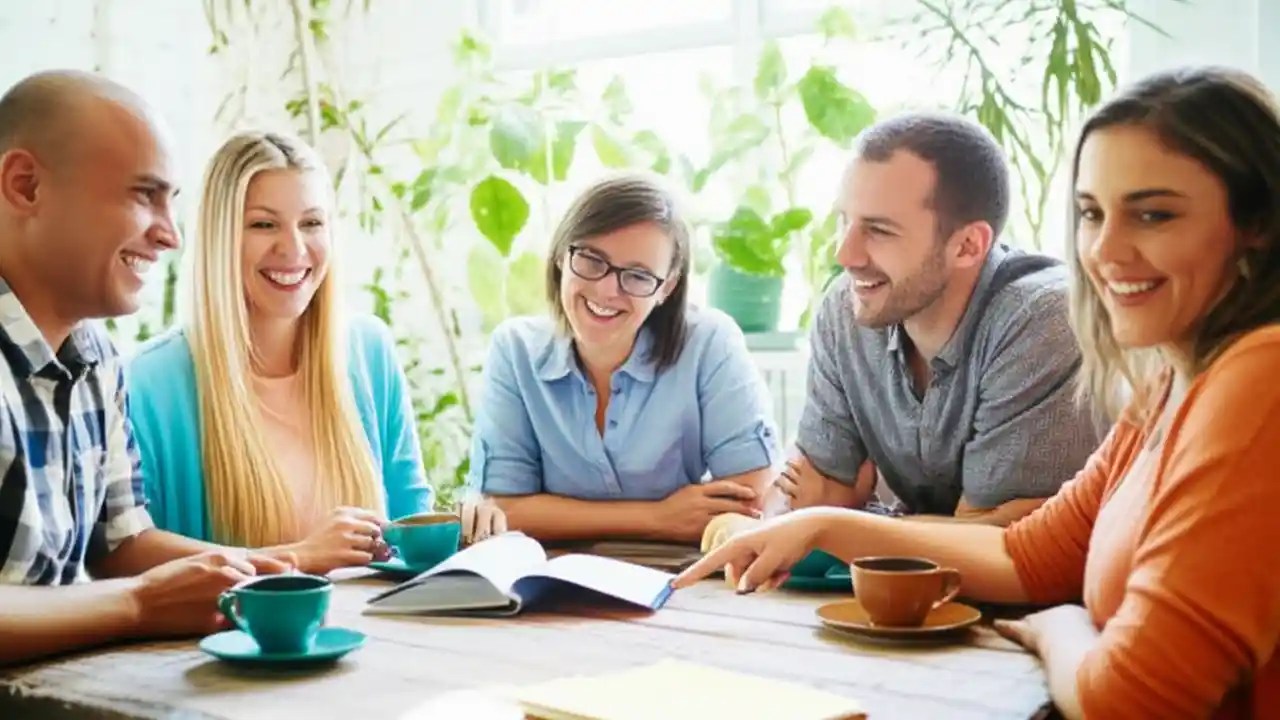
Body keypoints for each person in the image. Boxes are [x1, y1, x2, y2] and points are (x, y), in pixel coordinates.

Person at [676, 66, 1280, 719]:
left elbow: (1131, 697)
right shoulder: (1170, 383)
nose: (1104, 251)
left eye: (1153, 214)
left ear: (1258, 225)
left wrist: (1061, 628)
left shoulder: (1260, 380)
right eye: (1089, 213)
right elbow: (1028, 556)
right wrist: (820, 523)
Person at [0, 70, 290, 667]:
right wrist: (137, 603)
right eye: (142, 194)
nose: (171, 235)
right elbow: (129, 586)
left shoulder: (98, 358)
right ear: (25, 185)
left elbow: (121, 541)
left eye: (171, 201)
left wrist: (260, 571)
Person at [754, 112, 1107, 529]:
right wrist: (785, 520)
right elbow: (818, 486)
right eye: (844, 222)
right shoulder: (846, 310)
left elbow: (999, 540)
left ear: (967, 246)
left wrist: (835, 523)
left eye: (879, 230)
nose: (845, 255)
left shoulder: (1044, 320)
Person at [126, 131, 433, 574]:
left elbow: (411, 522)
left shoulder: (369, 351)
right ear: (221, 238)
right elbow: (126, 553)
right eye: (263, 224)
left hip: (378, 630)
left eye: (311, 223)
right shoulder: (151, 382)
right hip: (222, 638)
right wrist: (296, 558)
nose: (293, 249)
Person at [461, 173, 781, 545]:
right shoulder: (515, 350)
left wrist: (553, 514)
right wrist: (658, 518)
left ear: (668, 288)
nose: (607, 290)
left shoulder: (709, 342)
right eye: (592, 260)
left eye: (638, 276)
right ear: (563, 255)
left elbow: (751, 498)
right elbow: (503, 509)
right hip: (554, 580)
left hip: (685, 581)